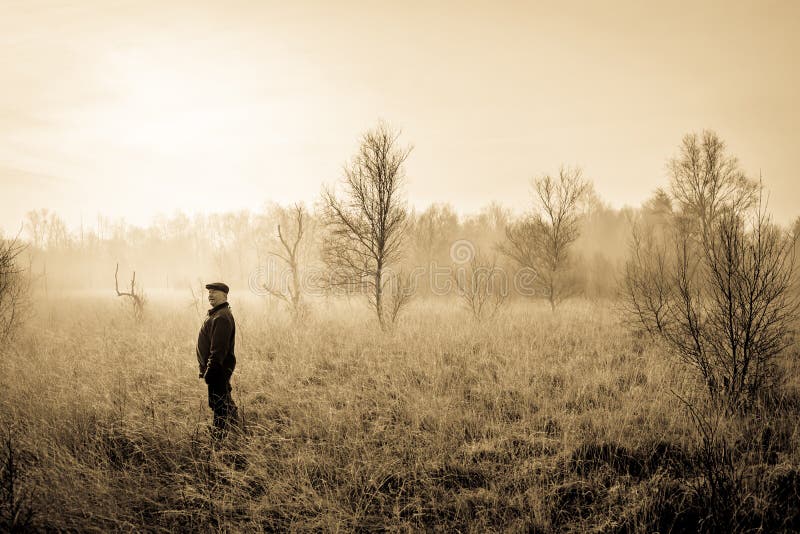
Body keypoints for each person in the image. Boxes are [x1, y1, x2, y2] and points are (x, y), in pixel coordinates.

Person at [196, 282, 238, 437]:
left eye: (214, 292)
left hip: (217, 368)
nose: (210, 295)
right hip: (216, 368)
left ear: (225, 295)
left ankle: (219, 437)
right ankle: (236, 429)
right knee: (223, 400)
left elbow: (218, 351)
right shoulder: (218, 313)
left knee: (219, 405)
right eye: (209, 293)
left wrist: (209, 372)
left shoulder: (221, 317)